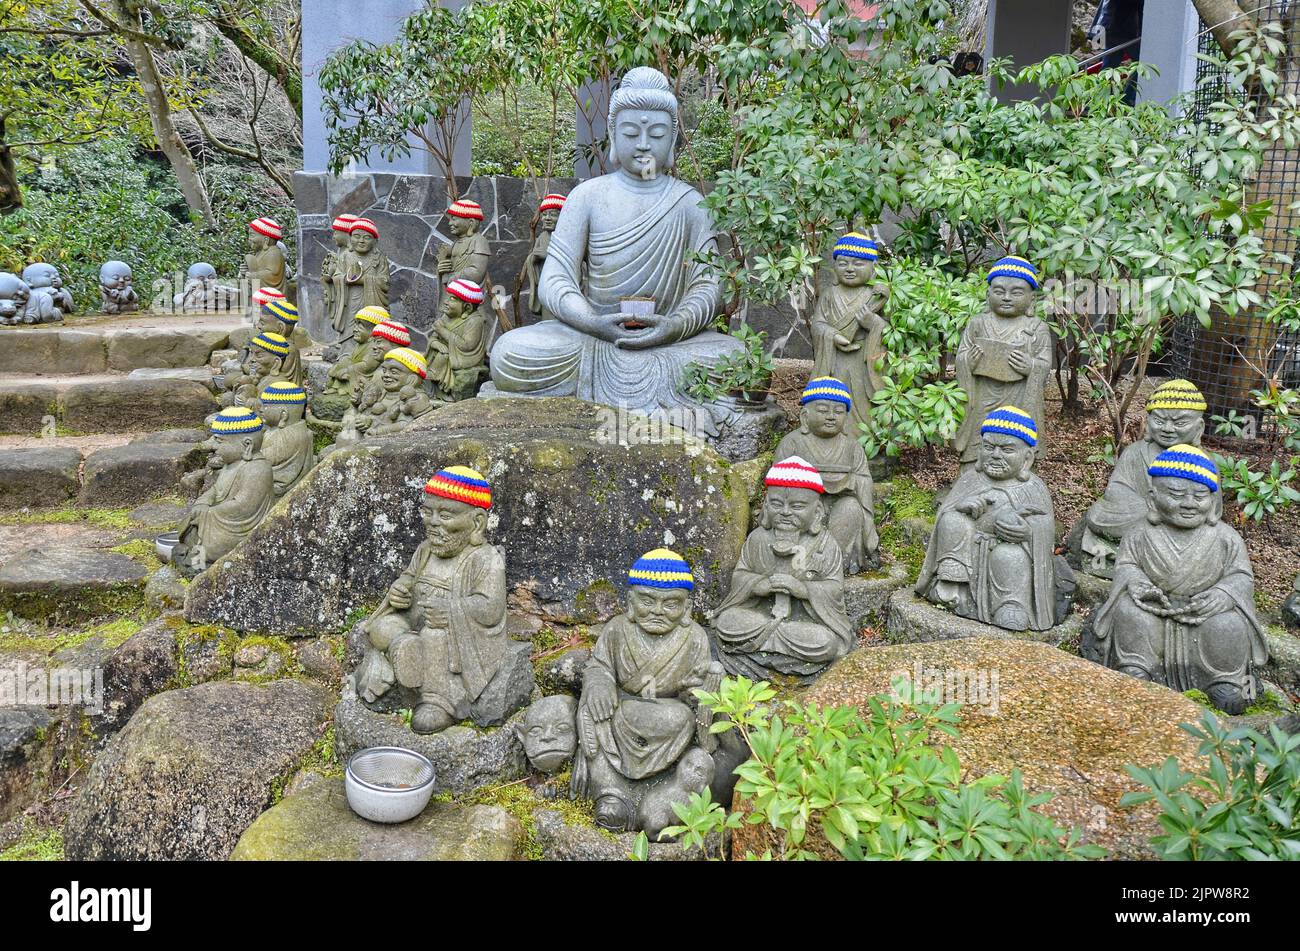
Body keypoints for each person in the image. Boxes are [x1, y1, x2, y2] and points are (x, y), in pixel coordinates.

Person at [1092, 445, 1268, 714]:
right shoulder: (1139, 533)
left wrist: (1224, 594)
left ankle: (1226, 681)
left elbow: (1241, 577)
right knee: (1129, 611)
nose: (1188, 503)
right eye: (1176, 494)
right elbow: (1126, 567)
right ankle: (1137, 668)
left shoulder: (1226, 538)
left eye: (1199, 496)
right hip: (1155, 609)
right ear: (1152, 500)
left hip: (1204, 615)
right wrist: (1136, 583)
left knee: (1230, 624)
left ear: (1214, 501)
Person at [916, 406, 1058, 631]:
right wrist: (961, 507)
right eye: (989, 447)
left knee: (1008, 555)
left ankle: (1011, 604)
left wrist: (1028, 532)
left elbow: (1046, 529)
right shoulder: (970, 479)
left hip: (1005, 550)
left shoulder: (1033, 488)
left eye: (1007, 449)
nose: (996, 455)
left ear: (1027, 458)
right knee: (951, 520)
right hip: (969, 549)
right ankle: (952, 585)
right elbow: (946, 511)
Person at [714, 457, 853, 680]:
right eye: (777, 504)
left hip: (801, 628)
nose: (786, 512)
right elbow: (740, 575)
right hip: (761, 619)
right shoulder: (758, 539)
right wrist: (759, 585)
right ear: (766, 506)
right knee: (726, 622)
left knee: (826, 642)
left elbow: (834, 588)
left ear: (817, 512)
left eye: (797, 506)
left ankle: (764, 645)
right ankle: (772, 642)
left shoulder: (825, 545)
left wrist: (803, 589)